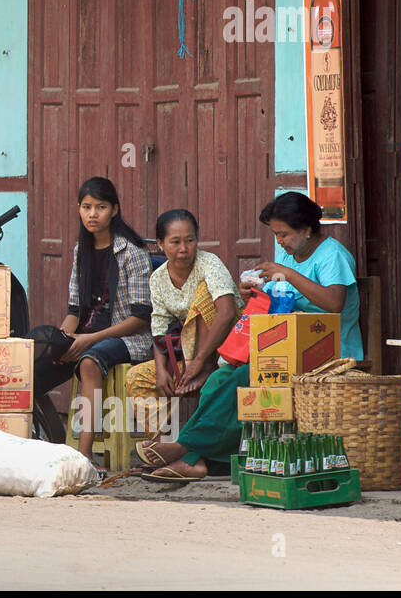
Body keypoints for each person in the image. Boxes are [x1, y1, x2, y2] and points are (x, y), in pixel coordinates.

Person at [140, 191, 361, 482]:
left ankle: (187, 449)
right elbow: (278, 299)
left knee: (242, 379)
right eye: (276, 234)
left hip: (327, 354)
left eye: (284, 234)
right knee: (219, 379)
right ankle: (199, 459)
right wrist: (252, 292)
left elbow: (334, 302)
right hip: (283, 350)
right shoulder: (289, 255)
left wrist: (287, 274)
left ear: (306, 229)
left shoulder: (332, 255)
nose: (279, 242)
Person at [38, 176, 153, 466]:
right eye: (87, 207)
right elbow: (74, 311)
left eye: (100, 207)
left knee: (89, 362)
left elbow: (140, 318)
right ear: (79, 209)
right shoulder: (82, 251)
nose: (93, 214)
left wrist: (90, 340)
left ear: (114, 210)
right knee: (35, 366)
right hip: (87, 336)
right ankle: (49, 444)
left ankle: (85, 457)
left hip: (129, 339)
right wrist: (61, 342)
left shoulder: (132, 253)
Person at [124, 209, 243, 438]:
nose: (183, 249)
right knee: (137, 378)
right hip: (190, 358)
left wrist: (200, 362)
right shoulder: (158, 278)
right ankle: (163, 445)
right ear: (160, 244)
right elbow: (159, 329)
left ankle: (209, 367)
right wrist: (161, 371)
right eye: (175, 242)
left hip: (227, 352)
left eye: (190, 241)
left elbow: (227, 313)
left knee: (204, 295)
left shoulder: (209, 264)